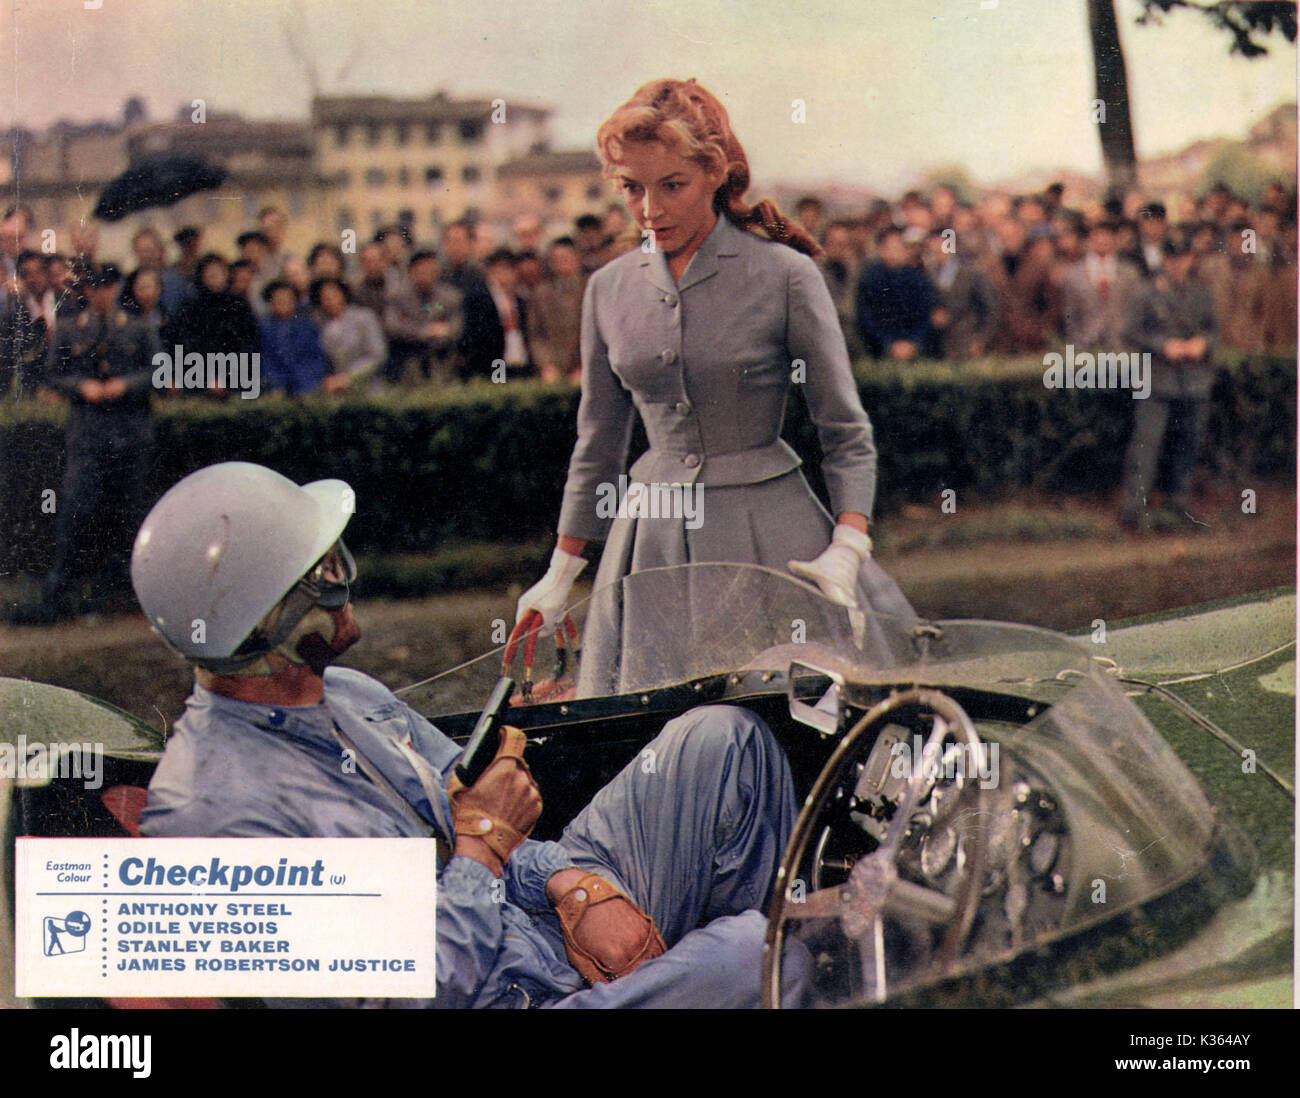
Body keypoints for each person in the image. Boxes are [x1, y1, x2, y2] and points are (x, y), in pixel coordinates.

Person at [131, 461, 807, 1009]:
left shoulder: (345, 692)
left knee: (725, 745)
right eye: (324, 572)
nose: (344, 579)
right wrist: (482, 856)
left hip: (531, 922)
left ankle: (678, 970)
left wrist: (571, 885)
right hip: (495, 994)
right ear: (269, 622)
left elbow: (489, 816)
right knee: (767, 954)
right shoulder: (216, 815)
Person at [515, 78, 914, 688]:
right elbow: (598, 442)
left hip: (770, 536)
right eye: (631, 189)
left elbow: (845, 430)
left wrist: (848, 546)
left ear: (715, 173)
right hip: (648, 541)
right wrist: (561, 572)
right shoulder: (607, 289)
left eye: (671, 185)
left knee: (796, 716)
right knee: (650, 720)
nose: (650, 209)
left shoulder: (785, 274)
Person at [34, 265, 158, 619]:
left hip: (130, 430)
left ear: (117, 288)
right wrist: (80, 387)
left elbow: (157, 369)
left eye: (107, 287)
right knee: (77, 506)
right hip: (88, 432)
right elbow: (53, 372)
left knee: (128, 509)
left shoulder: (137, 327)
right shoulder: (71, 328)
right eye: (93, 288)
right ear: (85, 290)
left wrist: (126, 385)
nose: (100, 294)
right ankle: (60, 590)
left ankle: (126, 590)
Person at [1119, 238, 1218, 531]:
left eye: (1184, 257)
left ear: (1190, 259)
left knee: (1189, 442)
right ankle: (1133, 509)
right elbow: (1131, 331)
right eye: (1173, 258)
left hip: (1194, 379)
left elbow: (1213, 328)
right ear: (1165, 260)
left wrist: (1203, 342)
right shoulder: (1146, 293)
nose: (1178, 264)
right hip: (1158, 378)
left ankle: (1180, 503)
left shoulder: (1201, 292)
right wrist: (1163, 345)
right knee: (1146, 445)